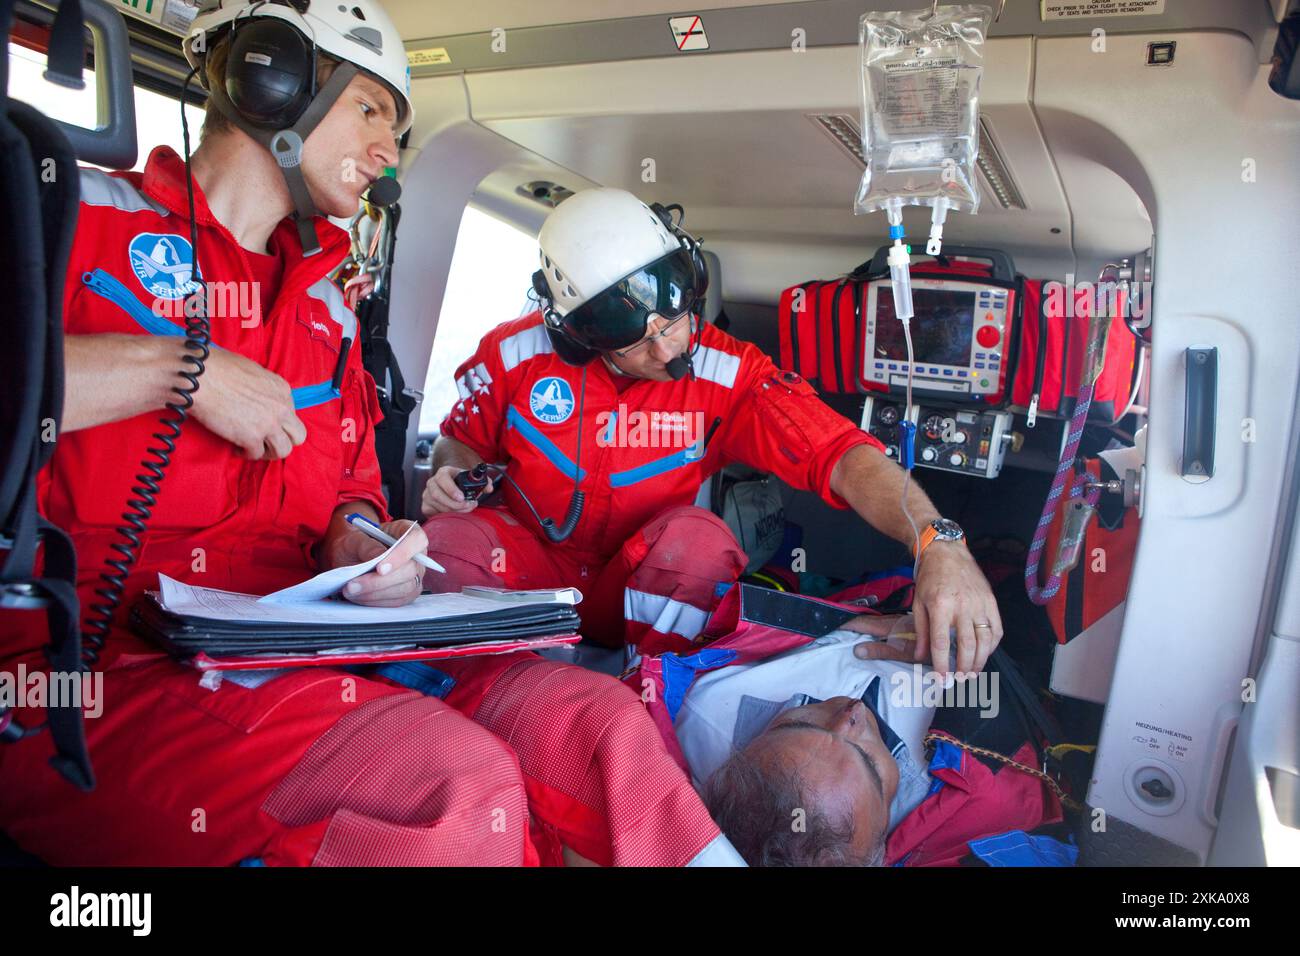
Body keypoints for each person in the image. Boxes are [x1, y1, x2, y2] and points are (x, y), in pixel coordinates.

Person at [0, 0, 725, 868]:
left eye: (399, 126)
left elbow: (349, 489)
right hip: (92, 673)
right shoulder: (72, 217)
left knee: (597, 726)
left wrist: (369, 544)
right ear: (271, 79)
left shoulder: (327, 309)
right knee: (454, 792)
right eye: (371, 109)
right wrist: (178, 371)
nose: (389, 150)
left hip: (302, 645)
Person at [421, 187, 1003, 670]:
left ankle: (648, 700)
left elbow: (841, 454)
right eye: (636, 340)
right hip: (530, 573)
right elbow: (460, 438)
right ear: (578, 334)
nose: (669, 344)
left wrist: (937, 542)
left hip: (637, 583)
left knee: (699, 540)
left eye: (675, 318)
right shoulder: (513, 353)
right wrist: (451, 470)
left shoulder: (732, 374)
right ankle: (483, 699)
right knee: (443, 541)